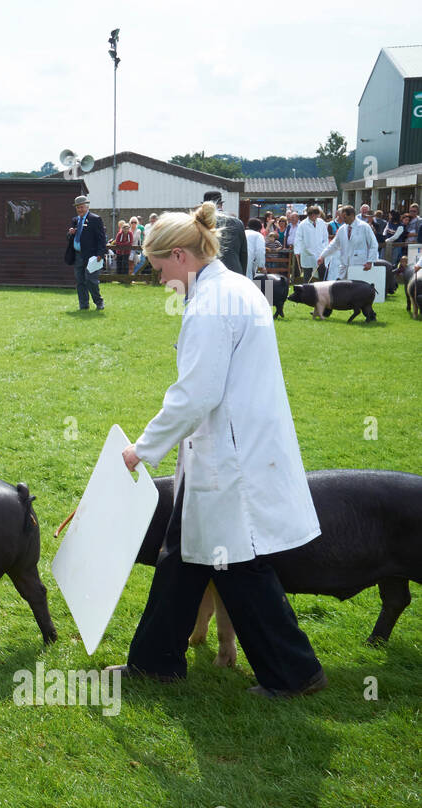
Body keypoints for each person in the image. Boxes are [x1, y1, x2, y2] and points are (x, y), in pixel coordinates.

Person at [108, 202, 326, 698]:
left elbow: (197, 393)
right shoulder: (234, 288)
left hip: (231, 456)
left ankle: (295, 673)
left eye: (160, 267)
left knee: (237, 565)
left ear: (181, 256)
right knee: (182, 555)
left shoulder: (210, 305)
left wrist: (142, 449)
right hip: (226, 448)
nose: (159, 278)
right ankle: (155, 662)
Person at [64, 195, 106, 310]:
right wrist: (70, 233)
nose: (79, 210)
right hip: (78, 255)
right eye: (78, 208)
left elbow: (101, 239)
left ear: (87, 207)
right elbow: (70, 237)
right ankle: (83, 305)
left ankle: (99, 302)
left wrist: (100, 254)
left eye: (81, 207)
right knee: (80, 281)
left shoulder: (95, 219)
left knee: (91, 280)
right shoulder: (75, 220)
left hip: (92, 257)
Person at [319, 204, 378, 285]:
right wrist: (322, 256)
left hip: (361, 264)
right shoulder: (342, 229)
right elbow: (334, 245)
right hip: (345, 265)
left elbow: (373, 245)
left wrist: (370, 261)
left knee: (358, 290)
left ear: (352, 215)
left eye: (345, 217)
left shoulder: (364, 227)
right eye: (342, 217)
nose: (343, 219)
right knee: (343, 290)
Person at [293, 205, 329, 283]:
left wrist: (325, 249)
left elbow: (325, 237)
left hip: (320, 252)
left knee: (322, 274)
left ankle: (321, 291)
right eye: (313, 215)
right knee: (307, 275)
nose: (314, 217)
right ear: (309, 214)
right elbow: (298, 238)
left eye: (316, 215)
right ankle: (306, 292)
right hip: (307, 253)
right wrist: (297, 252)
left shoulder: (321, 222)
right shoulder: (302, 224)